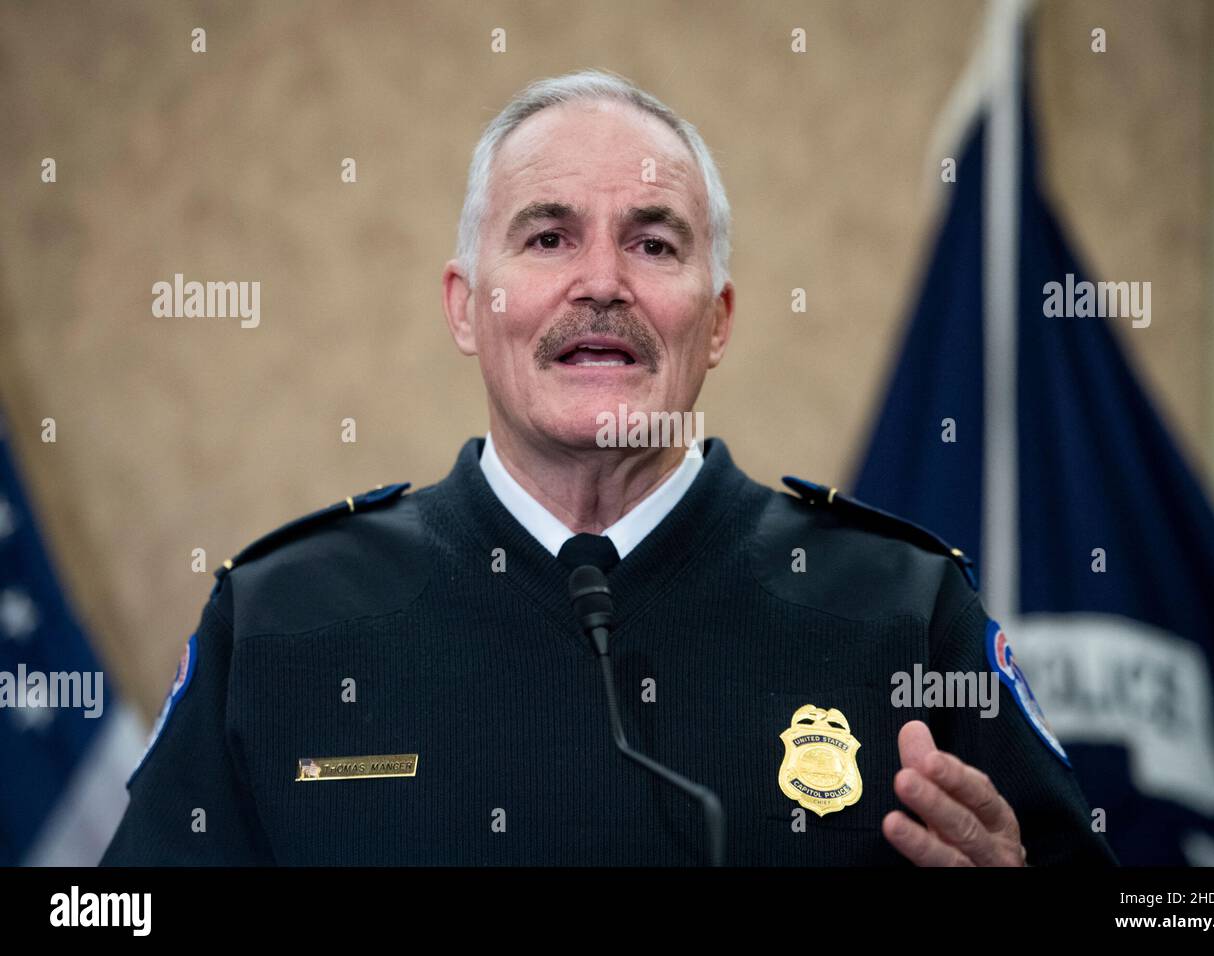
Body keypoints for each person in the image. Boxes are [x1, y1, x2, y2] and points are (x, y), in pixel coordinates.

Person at [101, 68, 1116, 867]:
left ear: (715, 320)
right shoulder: (280, 618)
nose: (601, 283)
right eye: (547, 236)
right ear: (466, 306)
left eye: (654, 244)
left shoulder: (901, 604)